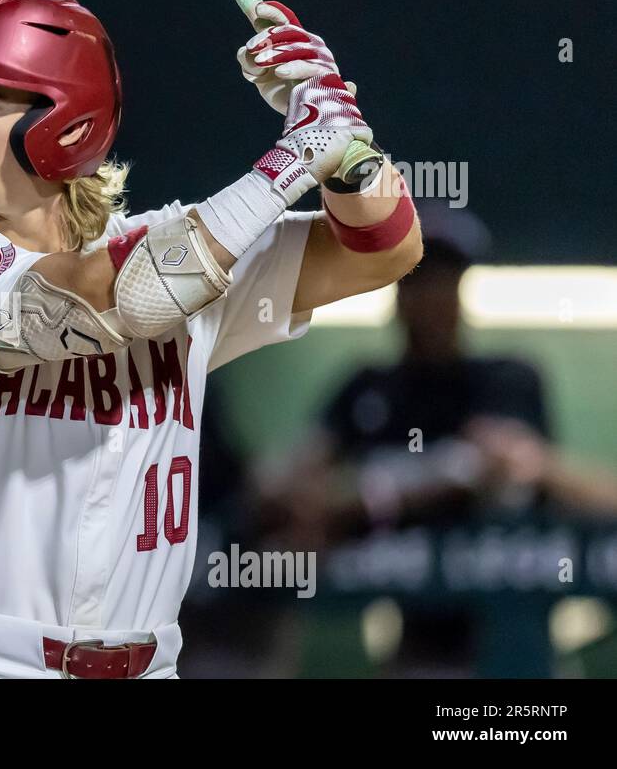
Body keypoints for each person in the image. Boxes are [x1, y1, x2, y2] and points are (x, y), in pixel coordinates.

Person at [0, 0, 423, 678]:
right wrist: (291, 161)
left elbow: (384, 248)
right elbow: (117, 298)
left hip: (153, 663)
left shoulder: (176, 248)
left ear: (67, 115)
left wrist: (347, 153)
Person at [256, 202, 617, 676]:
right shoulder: (368, 388)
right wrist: (320, 503)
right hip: (410, 643)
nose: (433, 298)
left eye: (446, 280)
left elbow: (498, 467)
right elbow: (285, 480)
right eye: (419, 279)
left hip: (505, 642)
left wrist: (369, 501)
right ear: (398, 293)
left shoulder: (505, 380)